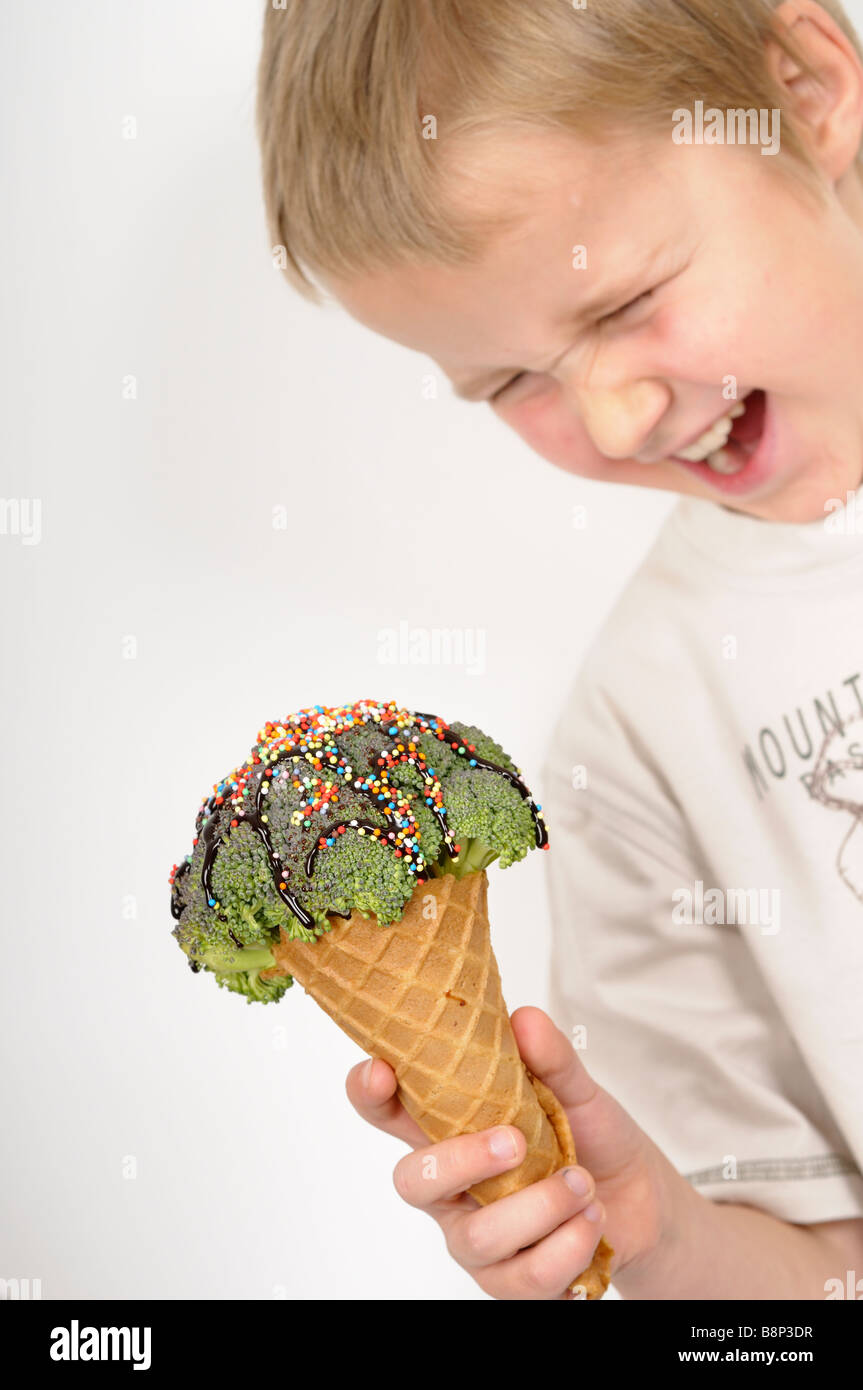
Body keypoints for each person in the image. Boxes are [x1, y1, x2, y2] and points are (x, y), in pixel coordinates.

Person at [255, 0, 863, 1298]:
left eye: (631, 298)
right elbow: (825, 1283)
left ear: (808, 91)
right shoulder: (638, 734)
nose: (612, 411)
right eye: (508, 382)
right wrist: (660, 1232)